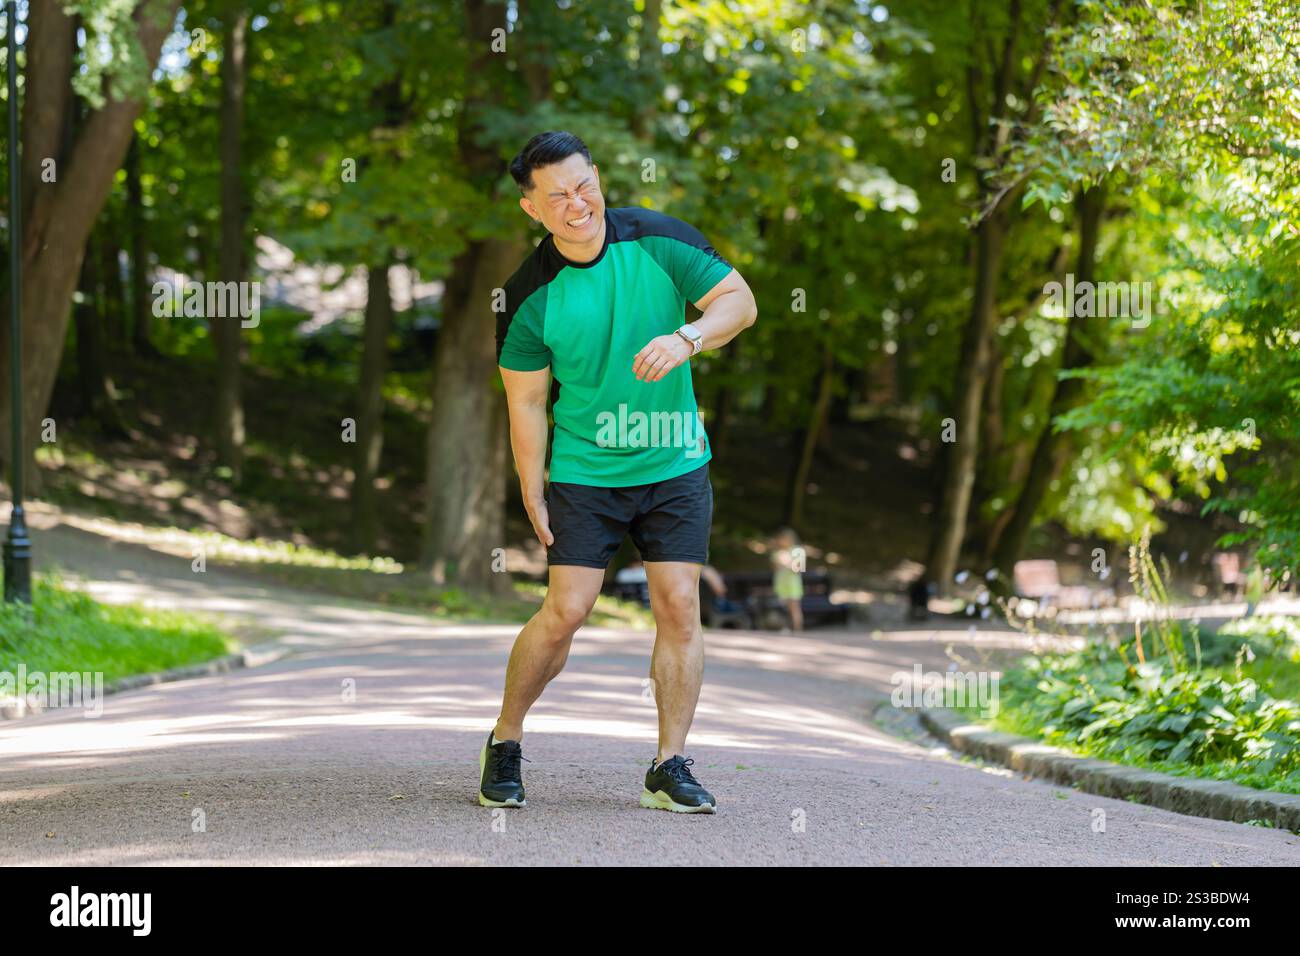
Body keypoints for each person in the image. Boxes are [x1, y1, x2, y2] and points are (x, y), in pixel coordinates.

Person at [481, 131, 758, 814]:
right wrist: (531, 486)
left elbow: (740, 303)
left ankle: (668, 764)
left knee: (679, 609)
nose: (578, 204)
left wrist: (687, 335)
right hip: (586, 468)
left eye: (585, 185)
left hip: (674, 458)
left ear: (598, 177)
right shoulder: (527, 297)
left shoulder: (659, 241)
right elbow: (525, 401)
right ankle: (505, 741)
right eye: (558, 197)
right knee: (566, 611)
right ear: (532, 210)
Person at [771, 527, 804, 633]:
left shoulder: (798, 551)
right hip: (781, 584)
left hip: (793, 585)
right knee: (783, 608)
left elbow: (798, 570)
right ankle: (786, 629)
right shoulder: (778, 552)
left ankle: (797, 630)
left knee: (794, 608)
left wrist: (787, 563)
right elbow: (775, 569)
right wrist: (779, 563)